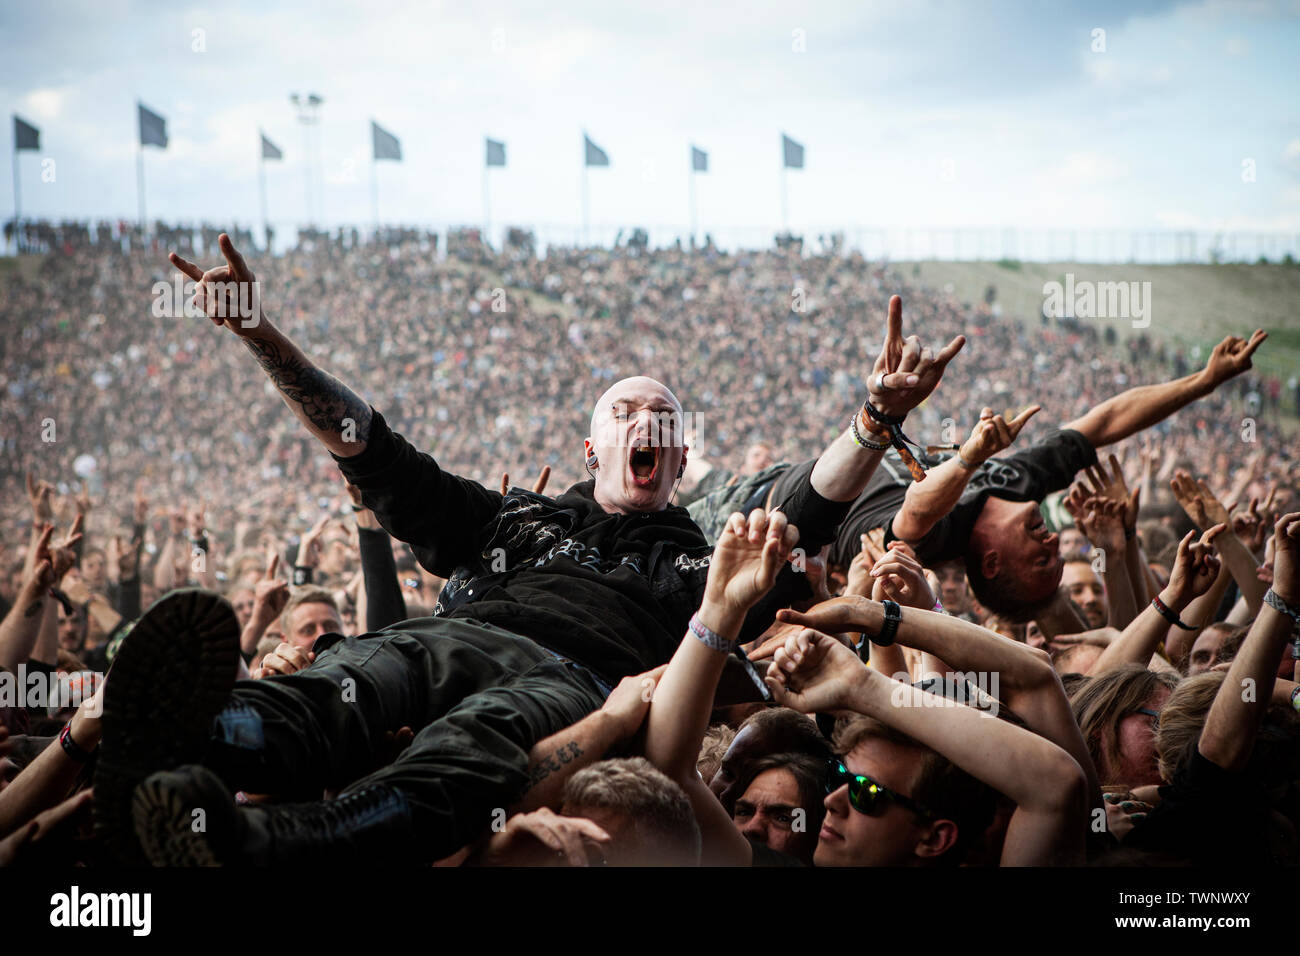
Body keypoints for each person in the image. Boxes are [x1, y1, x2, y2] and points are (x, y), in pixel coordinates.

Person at [92, 236, 950, 865]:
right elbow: (379, 456)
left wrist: (875, 420)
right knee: (348, 690)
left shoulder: (704, 562)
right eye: (625, 412)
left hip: (573, 683)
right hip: (448, 641)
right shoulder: (514, 521)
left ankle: (256, 843)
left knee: (471, 754)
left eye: (665, 418)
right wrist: (260, 335)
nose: (646, 422)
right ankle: (192, 725)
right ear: (589, 454)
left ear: (683, 460)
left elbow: (804, 505)